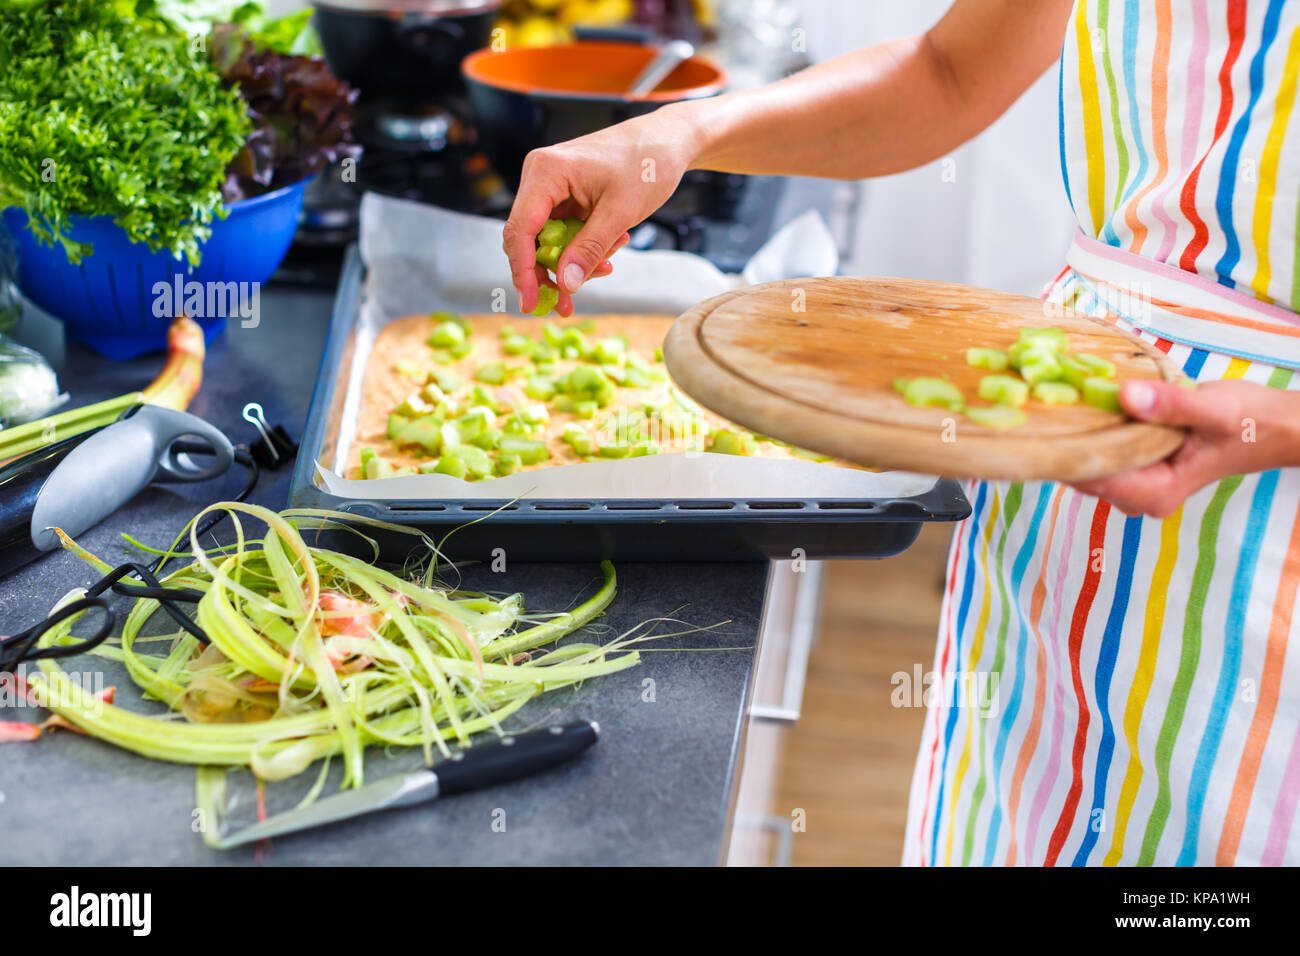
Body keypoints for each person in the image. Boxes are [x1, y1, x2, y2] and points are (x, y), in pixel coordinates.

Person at [502, 0, 1300, 866]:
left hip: (1266, 529)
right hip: (1063, 458)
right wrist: (683, 133)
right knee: (1025, 817)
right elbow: (947, 73)